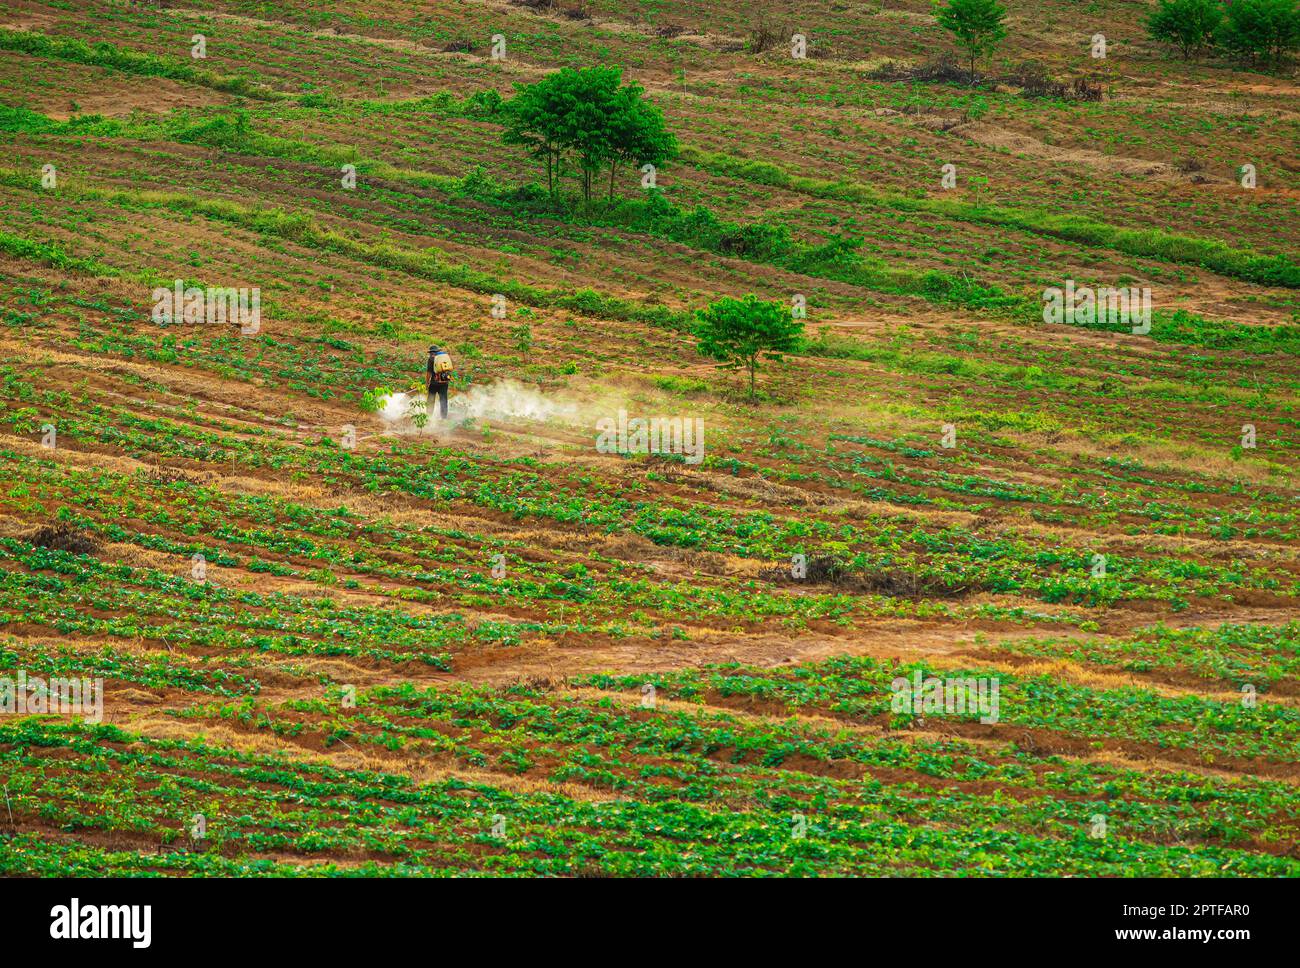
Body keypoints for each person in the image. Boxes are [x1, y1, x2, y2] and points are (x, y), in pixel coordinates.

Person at [426, 345, 453, 420]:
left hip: (434, 383)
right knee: (443, 400)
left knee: (431, 400)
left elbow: (429, 372)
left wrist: (427, 383)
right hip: (444, 383)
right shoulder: (444, 358)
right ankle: (443, 418)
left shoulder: (431, 359)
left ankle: (428, 417)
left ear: (431, 352)